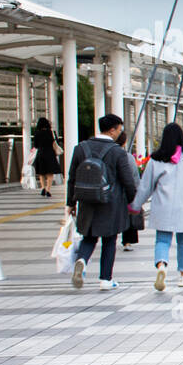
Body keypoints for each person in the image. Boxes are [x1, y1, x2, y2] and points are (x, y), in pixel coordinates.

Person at [129, 123, 183, 290]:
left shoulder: (156, 159)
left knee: (162, 240)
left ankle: (161, 266)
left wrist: (135, 205)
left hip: (163, 206)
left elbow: (145, 186)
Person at [65, 114, 138, 291]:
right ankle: (106, 279)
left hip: (87, 201)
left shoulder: (81, 148)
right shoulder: (117, 152)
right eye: (119, 130)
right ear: (112, 129)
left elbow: (72, 178)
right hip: (111, 203)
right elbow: (128, 180)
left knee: (89, 237)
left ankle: (81, 261)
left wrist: (70, 203)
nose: (119, 133)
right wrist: (134, 201)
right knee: (109, 240)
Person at [32, 117, 61, 197]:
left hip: (41, 153)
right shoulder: (49, 132)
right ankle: (48, 189)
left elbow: (36, 145)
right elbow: (53, 142)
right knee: (50, 173)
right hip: (50, 153)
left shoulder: (37, 133)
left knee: (41, 172)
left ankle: (43, 188)